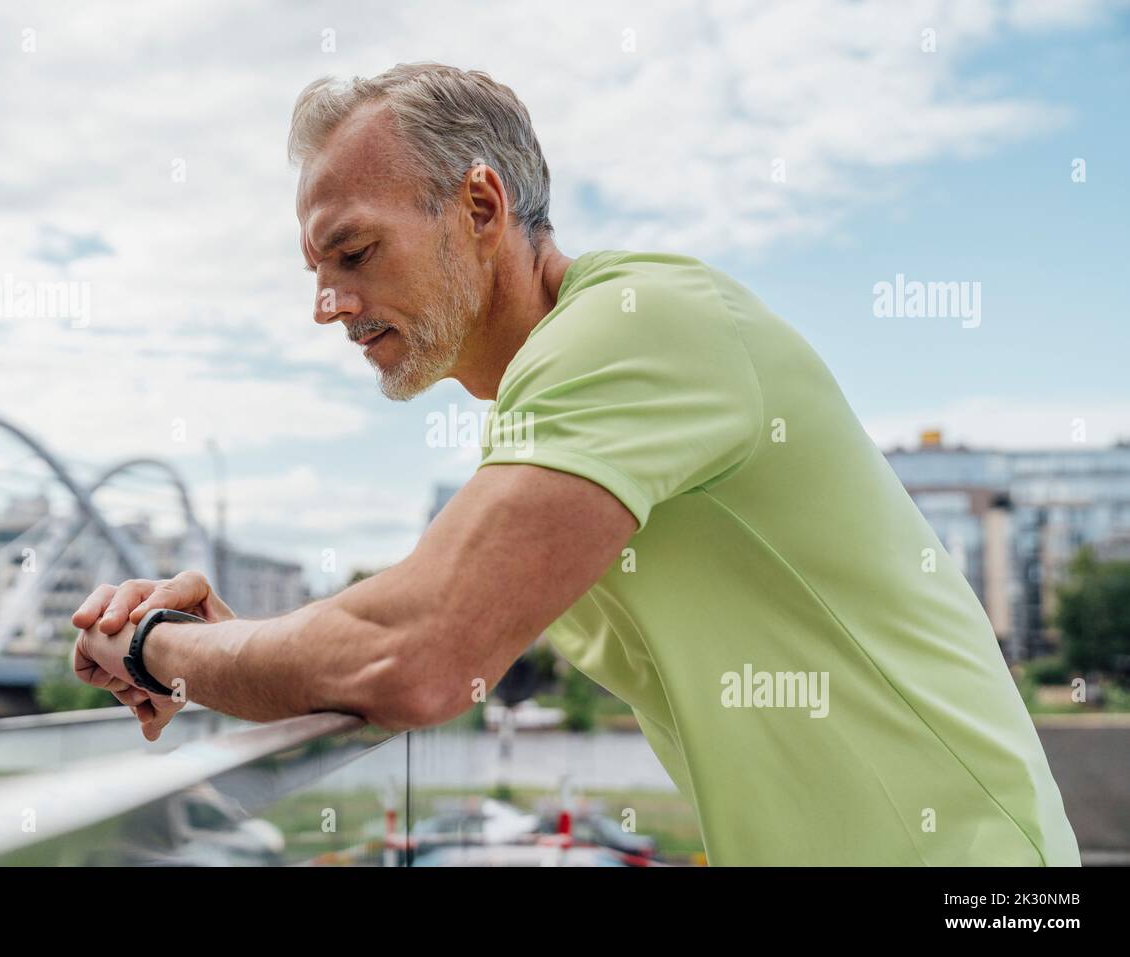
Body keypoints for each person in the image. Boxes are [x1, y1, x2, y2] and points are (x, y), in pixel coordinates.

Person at [72, 62, 1079, 866]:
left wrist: (160, 646)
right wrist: (238, 648)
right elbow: (413, 631)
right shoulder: (552, 400)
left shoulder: (634, 331)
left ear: (478, 205)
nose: (327, 306)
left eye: (354, 253)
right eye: (317, 270)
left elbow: (417, 657)